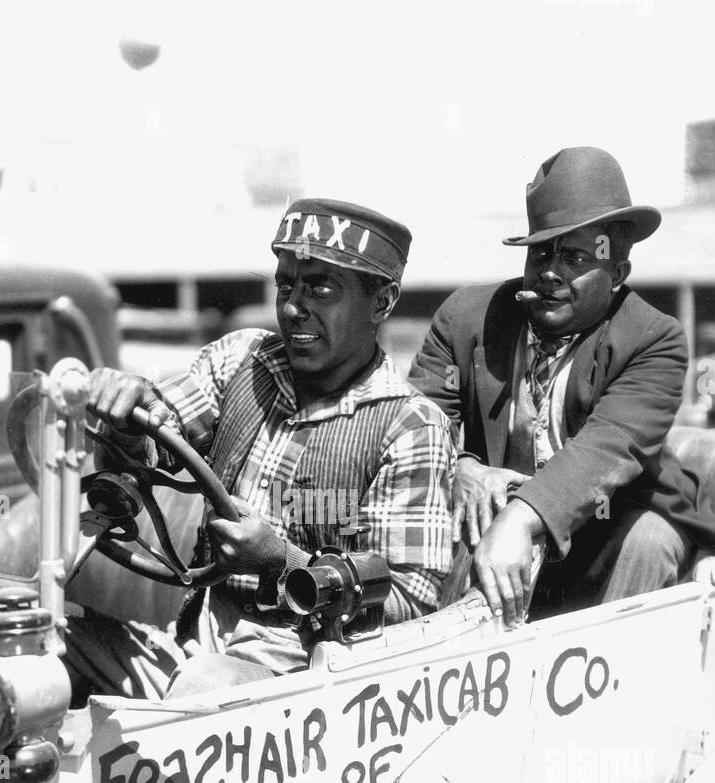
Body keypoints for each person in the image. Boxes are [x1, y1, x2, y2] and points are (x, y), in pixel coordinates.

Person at [65, 198, 455, 700]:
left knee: (201, 692)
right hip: (192, 644)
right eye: (286, 284)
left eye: (320, 288)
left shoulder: (409, 426)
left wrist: (281, 560)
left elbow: (410, 604)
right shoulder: (241, 361)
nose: (294, 306)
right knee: (42, 648)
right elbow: (154, 438)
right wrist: (126, 416)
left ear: (381, 303)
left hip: (309, 682)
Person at [408, 147, 715, 625]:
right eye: (541, 251)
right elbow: (416, 428)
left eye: (573, 257)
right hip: (495, 530)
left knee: (649, 543)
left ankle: (612, 692)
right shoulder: (466, 318)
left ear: (617, 275)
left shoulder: (655, 339)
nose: (549, 271)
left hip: (612, 526)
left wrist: (521, 518)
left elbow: (607, 448)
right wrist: (462, 465)